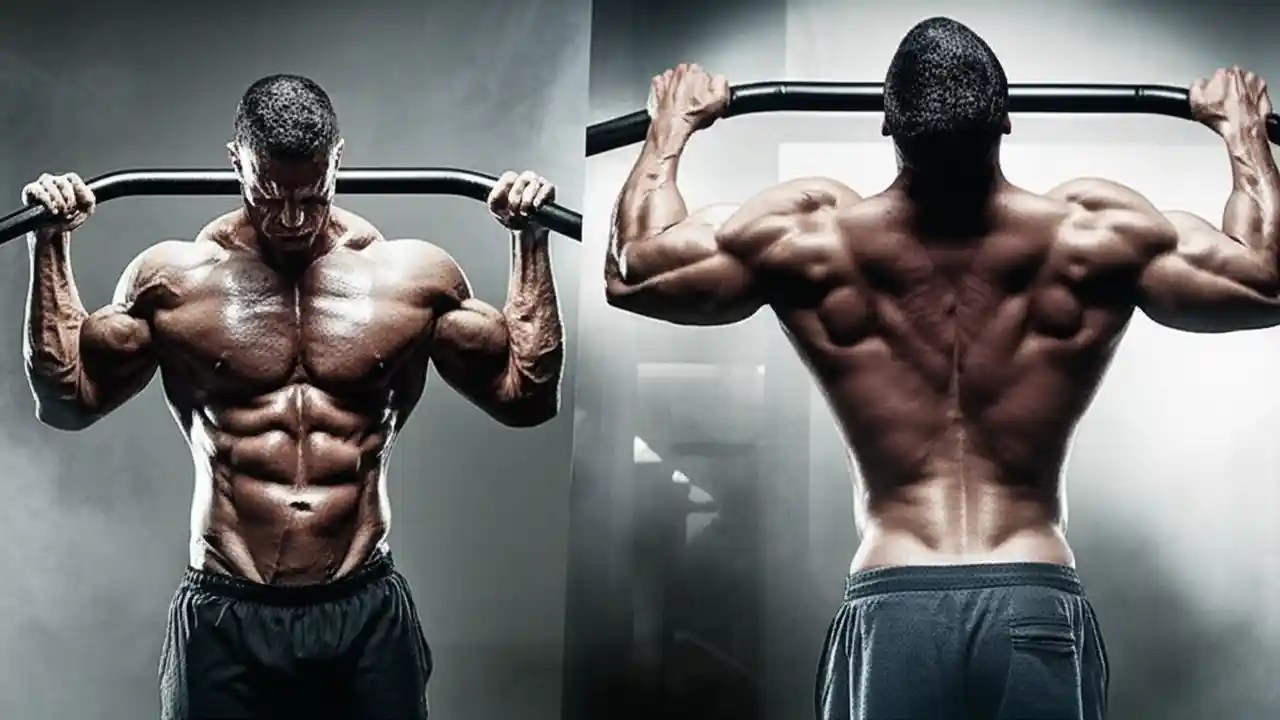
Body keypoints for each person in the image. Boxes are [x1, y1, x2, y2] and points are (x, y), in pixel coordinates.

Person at [604, 16, 1279, 720]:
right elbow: (1265, 281)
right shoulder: (1091, 234)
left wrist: (671, 128)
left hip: (895, 596)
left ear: (888, 129)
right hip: (1032, 593)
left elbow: (634, 269)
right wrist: (1241, 134)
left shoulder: (813, 238)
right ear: (1006, 121)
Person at [21, 73, 565, 720]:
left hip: (362, 611)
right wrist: (49, 243)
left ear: (338, 160)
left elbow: (526, 397)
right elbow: (67, 400)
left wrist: (529, 240)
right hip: (226, 611)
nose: (290, 218)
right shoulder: (174, 281)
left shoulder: (410, 279)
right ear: (236, 163)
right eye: (268, 193)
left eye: (311, 195)